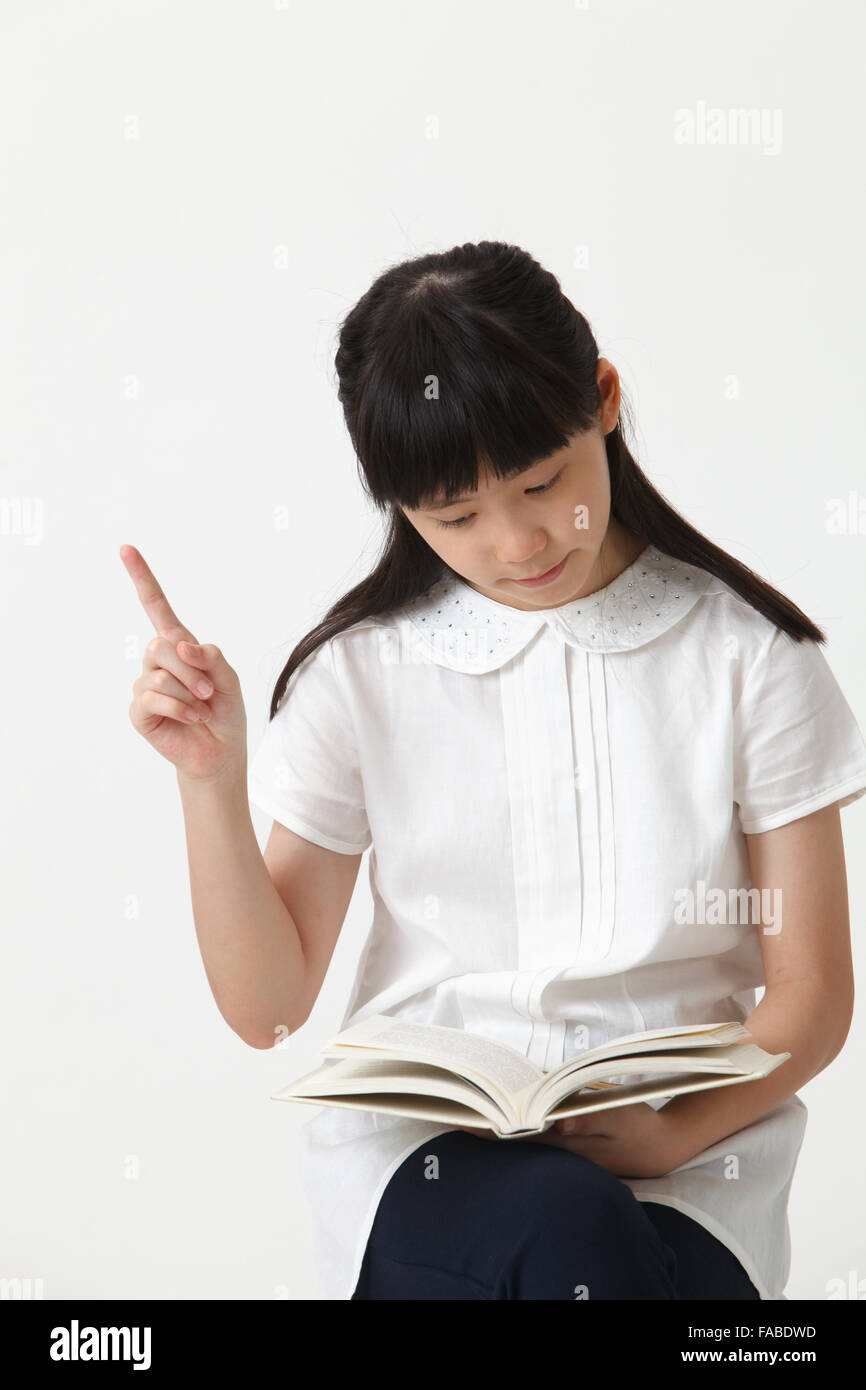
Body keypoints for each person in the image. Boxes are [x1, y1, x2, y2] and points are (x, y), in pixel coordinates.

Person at [122, 240, 866, 1301]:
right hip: (433, 1168)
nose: (517, 542)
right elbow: (270, 1009)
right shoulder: (363, 673)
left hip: (692, 1168)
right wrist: (209, 780)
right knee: (566, 1229)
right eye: (457, 517)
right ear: (401, 506)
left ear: (602, 399)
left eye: (541, 483)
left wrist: (667, 1138)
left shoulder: (747, 658)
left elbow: (809, 996)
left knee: (597, 1242)